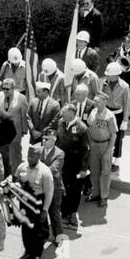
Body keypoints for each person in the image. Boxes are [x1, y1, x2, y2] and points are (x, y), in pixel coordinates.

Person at [56, 84, 91, 227]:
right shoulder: (61, 123)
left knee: (75, 190)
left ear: (72, 113)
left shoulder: (82, 127)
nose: (61, 115)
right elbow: (57, 141)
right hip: (63, 164)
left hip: (76, 165)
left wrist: (84, 169)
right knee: (63, 189)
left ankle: (72, 214)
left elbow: (86, 150)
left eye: (64, 113)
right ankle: (64, 214)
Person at [13, 154, 53, 259]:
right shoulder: (22, 166)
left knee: (37, 230)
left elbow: (49, 192)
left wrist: (45, 210)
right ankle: (28, 251)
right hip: (24, 202)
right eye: (29, 157)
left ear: (38, 157)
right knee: (26, 228)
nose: (30, 159)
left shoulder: (45, 172)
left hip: (37, 202)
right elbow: (15, 178)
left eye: (33, 158)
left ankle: (36, 255)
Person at [85, 93, 118, 204]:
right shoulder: (93, 113)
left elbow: (114, 135)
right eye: (95, 101)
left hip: (105, 146)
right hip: (94, 145)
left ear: (105, 102)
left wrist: (109, 151)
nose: (95, 103)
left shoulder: (110, 116)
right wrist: (90, 144)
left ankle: (103, 196)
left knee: (105, 172)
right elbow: (89, 128)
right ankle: (95, 193)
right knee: (94, 171)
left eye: (98, 101)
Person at [0, 78, 30, 178]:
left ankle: (18, 174)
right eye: (3, 88)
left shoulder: (21, 98)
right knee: (3, 153)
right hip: (2, 132)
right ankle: (5, 174)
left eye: (7, 89)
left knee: (16, 153)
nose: (5, 91)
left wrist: (24, 130)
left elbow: (24, 115)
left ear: (13, 88)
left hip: (16, 131)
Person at [38, 127, 67, 245]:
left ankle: (59, 237)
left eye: (47, 139)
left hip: (55, 188)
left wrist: (37, 171)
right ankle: (45, 234)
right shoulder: (38, 150)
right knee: (41, 211)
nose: (44, 141)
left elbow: (53, 170)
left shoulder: (59, 153)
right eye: (43, 138)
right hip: (41, 188)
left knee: (54, 213)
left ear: (54, 140)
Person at [100, 62, 130, 169]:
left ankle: (117, 161)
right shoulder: (105, 84)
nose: (107, 76)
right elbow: (102, 98)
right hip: (107, 113)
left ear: (115, 75)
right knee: (105, 136)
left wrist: (125, 121)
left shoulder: (124, 86)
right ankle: (106, 157)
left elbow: (127, 104)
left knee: (117, 139)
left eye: (109, 75)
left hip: (118, 114)